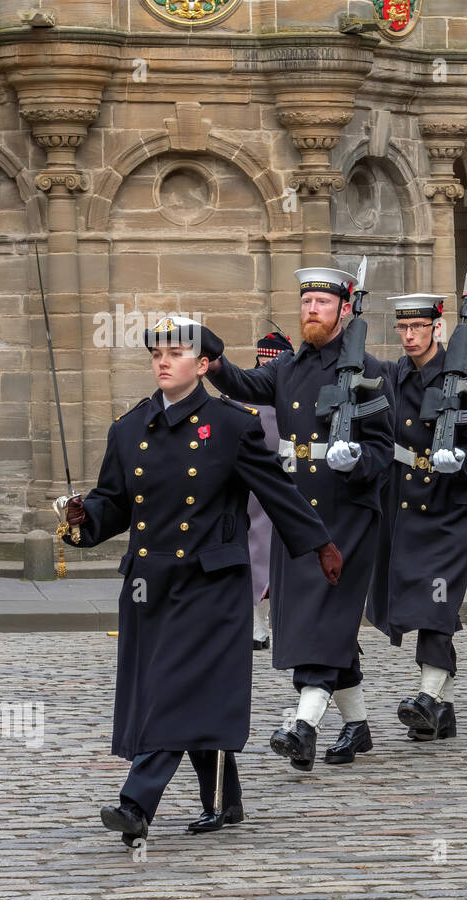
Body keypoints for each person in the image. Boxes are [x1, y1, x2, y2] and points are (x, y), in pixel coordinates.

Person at [58, 316, 337, 846]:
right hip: (149, 584)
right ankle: (222, 801)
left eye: (176, 354)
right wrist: (81, 520)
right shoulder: (129, 427)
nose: (163, 362)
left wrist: (319, 543)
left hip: (211, 584)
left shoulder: (232, 425)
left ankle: (136, 803)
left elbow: (276, 491)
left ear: (204, 365)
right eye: (157, 354)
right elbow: (113, 503)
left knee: (175, 690)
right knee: (183, 691)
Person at [208, 267, 394, 770]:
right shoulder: (288, 367)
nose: (312, 309)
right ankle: (356, 728)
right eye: (306, 300)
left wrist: (357, 462)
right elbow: (243, 383)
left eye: (322, 302)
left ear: (344, 309)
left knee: (324, 622)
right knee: (306, 622)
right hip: (296, 512)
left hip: (349, 514)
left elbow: (383, 447)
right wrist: (210, 353)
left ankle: (303, 726)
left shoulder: (370, 370)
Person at [367, 293, 467, 741]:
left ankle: (425, 695)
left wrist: (457, 459)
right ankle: (442, 709)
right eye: (403, 328)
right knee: (419, 603)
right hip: (405, 506)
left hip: (451, 510)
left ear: (436, 328)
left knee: (436, 605)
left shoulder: (466, 380)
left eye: (418, 328)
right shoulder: (392, 376)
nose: (409, 336)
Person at [246, 330, 292, 650]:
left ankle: (281, 620)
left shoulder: (296, 393)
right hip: (254, 488)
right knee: (256, 555)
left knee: (287, 554)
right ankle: (255, 622)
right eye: (265, 358)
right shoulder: (244, 392)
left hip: (291, 482)